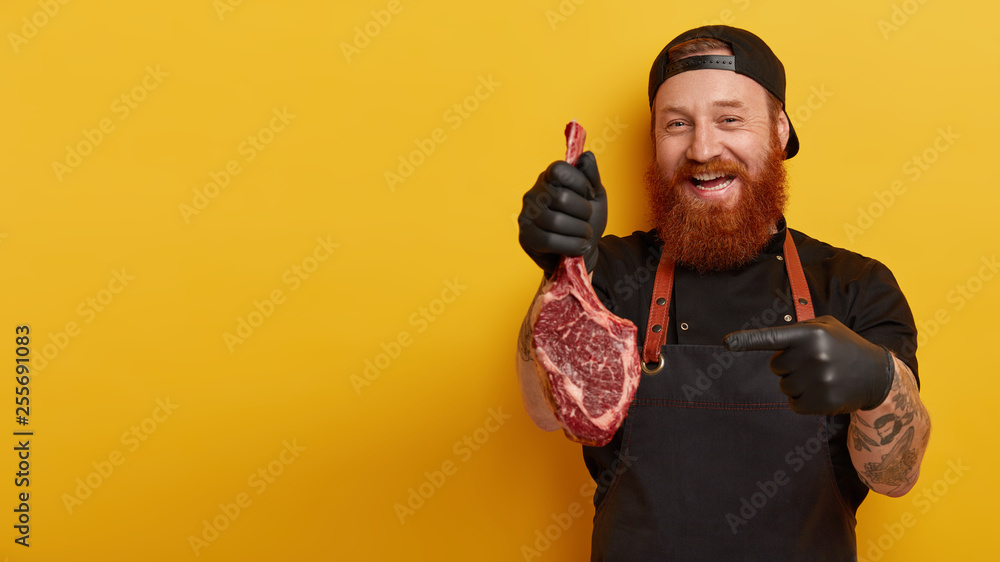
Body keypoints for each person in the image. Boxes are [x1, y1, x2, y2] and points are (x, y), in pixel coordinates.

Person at [514, 25, 931, 560]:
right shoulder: (614, 272)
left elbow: (896, 477)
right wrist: (564, 273)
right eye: (677, 124)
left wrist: (880, 382)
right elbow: (544, 410)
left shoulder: (854, 284)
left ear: (779, 130)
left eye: (729, 119)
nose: (703, 149)